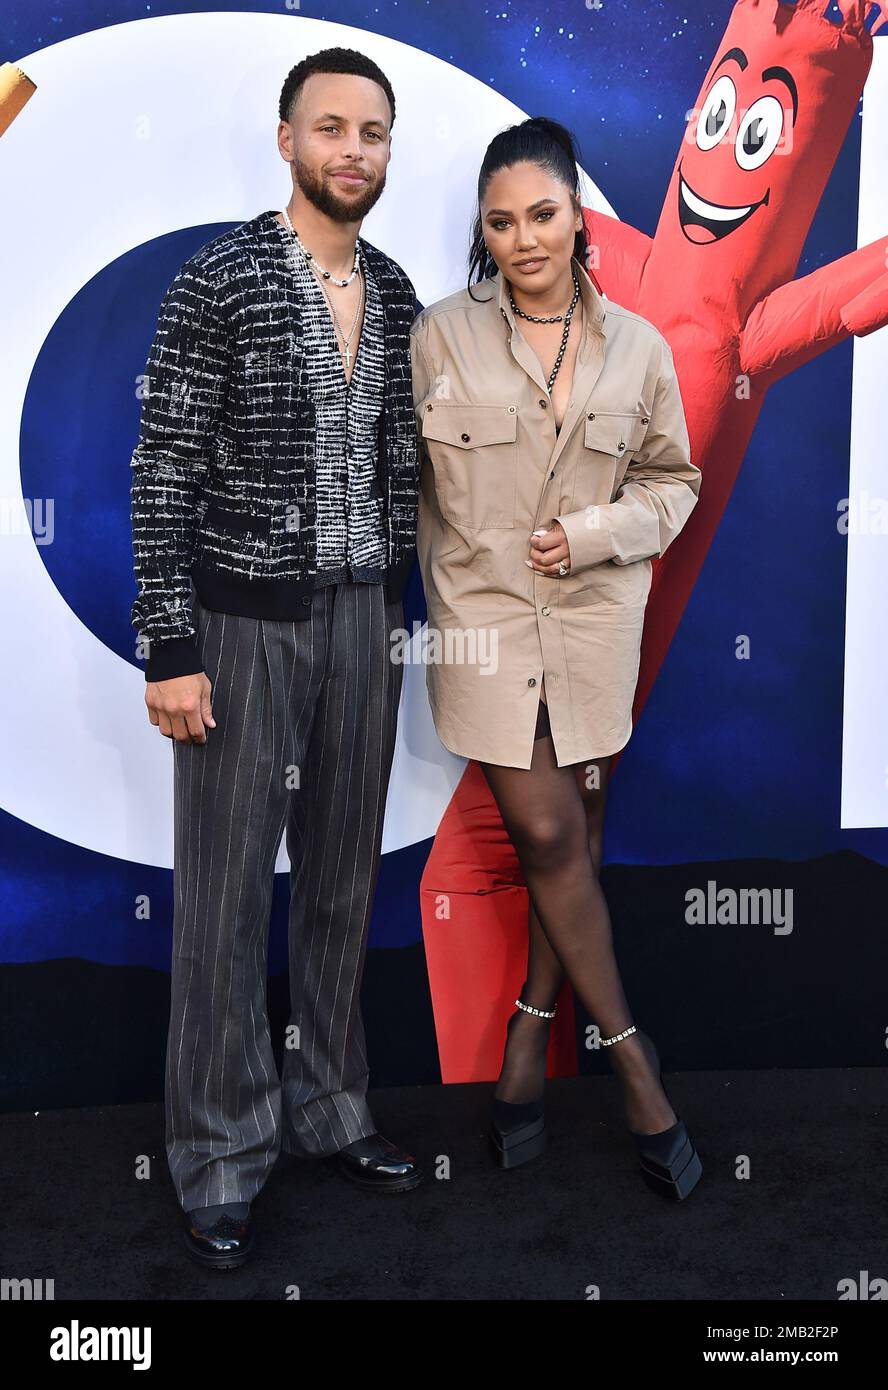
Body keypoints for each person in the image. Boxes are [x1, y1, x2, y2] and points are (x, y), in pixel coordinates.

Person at [130, 47, 423, 1271]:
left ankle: (330, 1108)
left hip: (368, 617)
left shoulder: (402, 292)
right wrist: (173, 648)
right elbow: (161, 473)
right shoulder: (224, 278)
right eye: (331, 128)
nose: (352, 150)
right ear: (289, 139)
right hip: (241, 628)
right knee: (224, 892)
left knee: (343, 879)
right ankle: (217, 1153)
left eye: (373, 133)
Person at [410, 116, 704, 1200]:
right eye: (502, 221)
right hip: (485, 631)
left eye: (542, 212)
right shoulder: (437, 334)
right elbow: (405, 488)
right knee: (544, 828)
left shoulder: (640, 346)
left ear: (578, 214)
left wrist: (589, 535)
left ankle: (529, 1044)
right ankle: (635, 1065)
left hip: (590, 632)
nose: (525, 237)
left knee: (568, 839)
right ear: (484, 234)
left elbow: (675, 484)